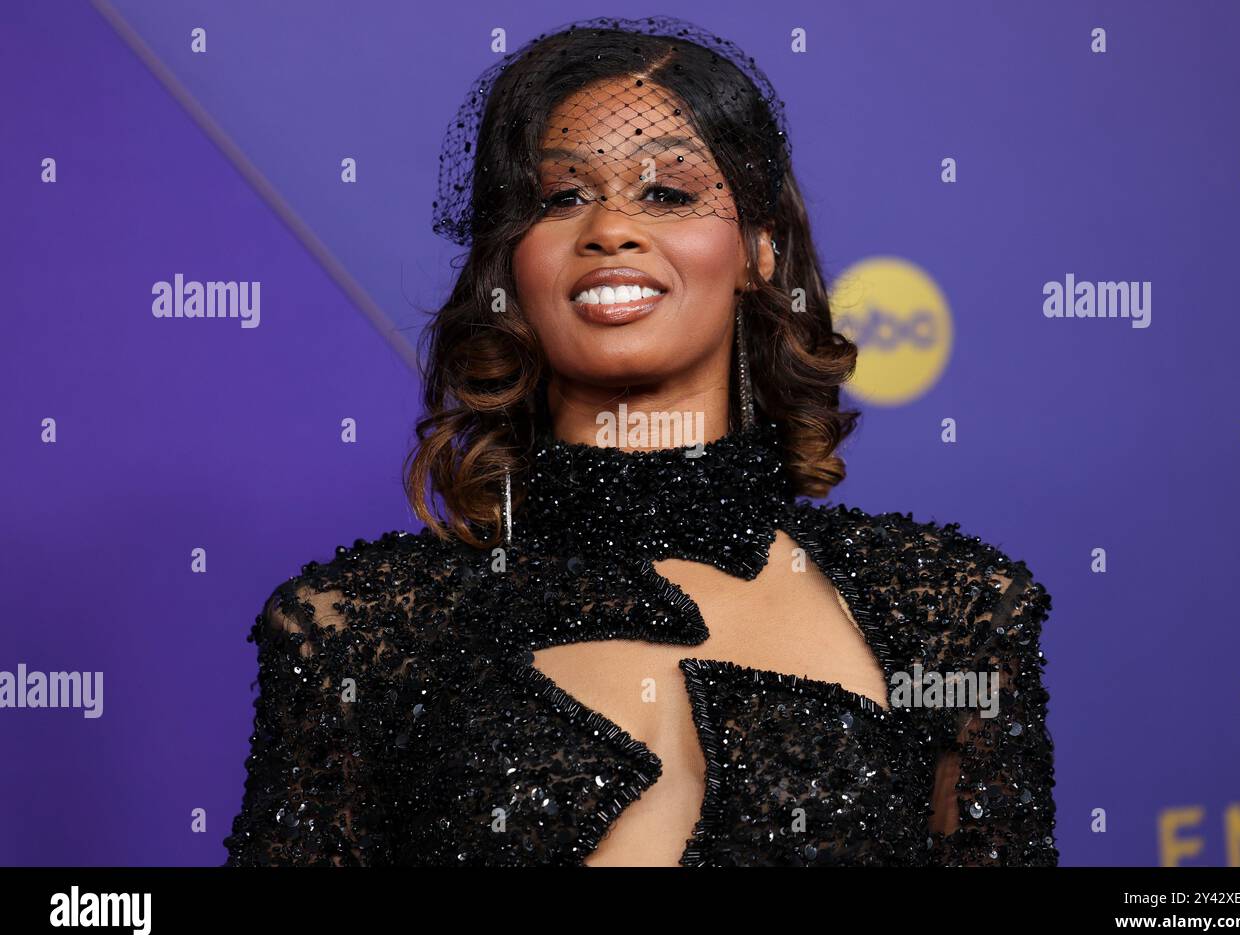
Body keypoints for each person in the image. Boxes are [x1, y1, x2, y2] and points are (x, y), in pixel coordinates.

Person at [222, 15, 1057, 867]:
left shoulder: (952, 612)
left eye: (667, 193)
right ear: (510, 265)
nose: (611, 228)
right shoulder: (353, 629)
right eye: (561, 197)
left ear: (759, 250)